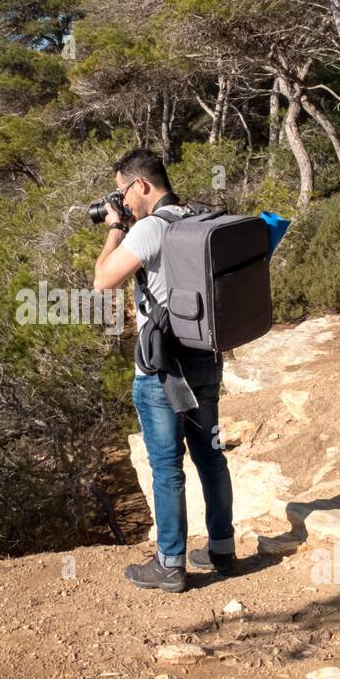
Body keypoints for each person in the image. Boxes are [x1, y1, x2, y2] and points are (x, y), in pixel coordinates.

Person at [92, 148, 236, 593]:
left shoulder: (151, 228)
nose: (122, 201)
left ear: (141, 185)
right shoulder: (197, 217)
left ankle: (169, 563)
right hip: (205, 358)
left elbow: (102, 280)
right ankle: (221, 549)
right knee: (210, 455)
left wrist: (115, 228)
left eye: (122, 192)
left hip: (160, 368)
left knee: (166, 465)